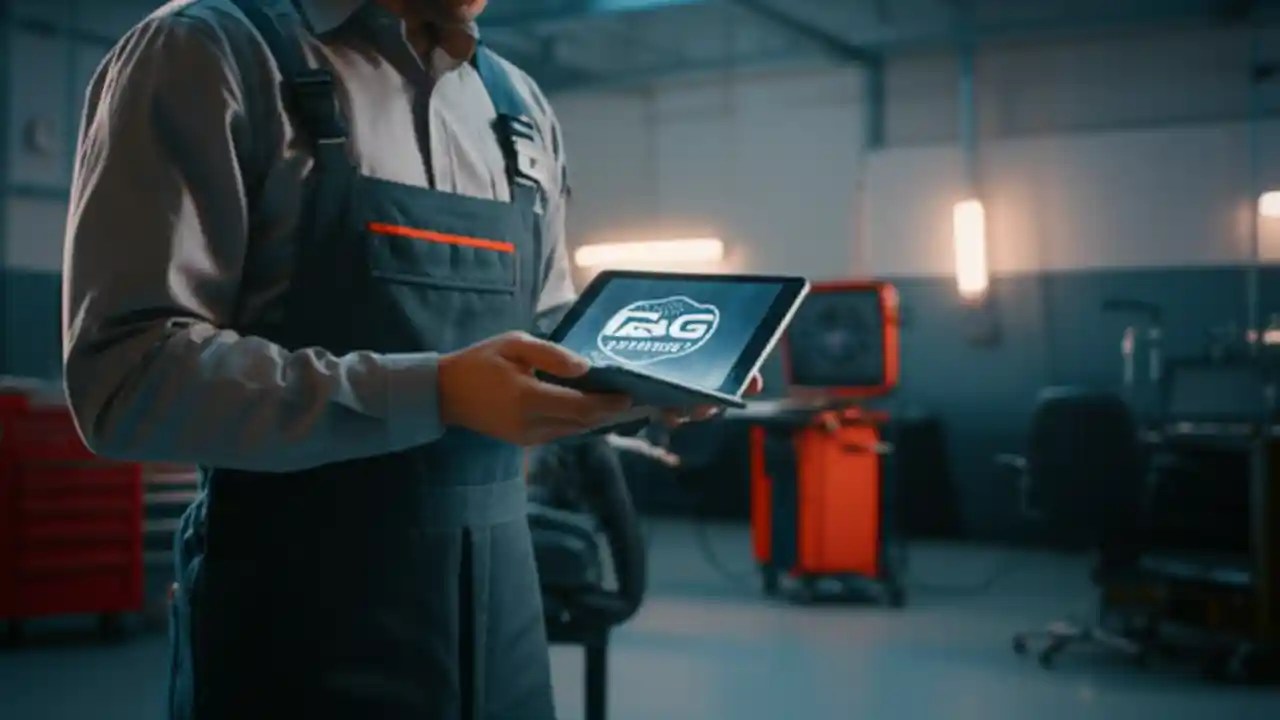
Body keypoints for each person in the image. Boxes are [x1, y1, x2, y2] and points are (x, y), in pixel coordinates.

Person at [61, 0, 755, 717]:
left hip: (505, 617)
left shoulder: (517, 107)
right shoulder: (211, 54)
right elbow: (130, 377)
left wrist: (642, 380)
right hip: (296, 625)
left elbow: (547, 335)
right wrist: (435, 392)